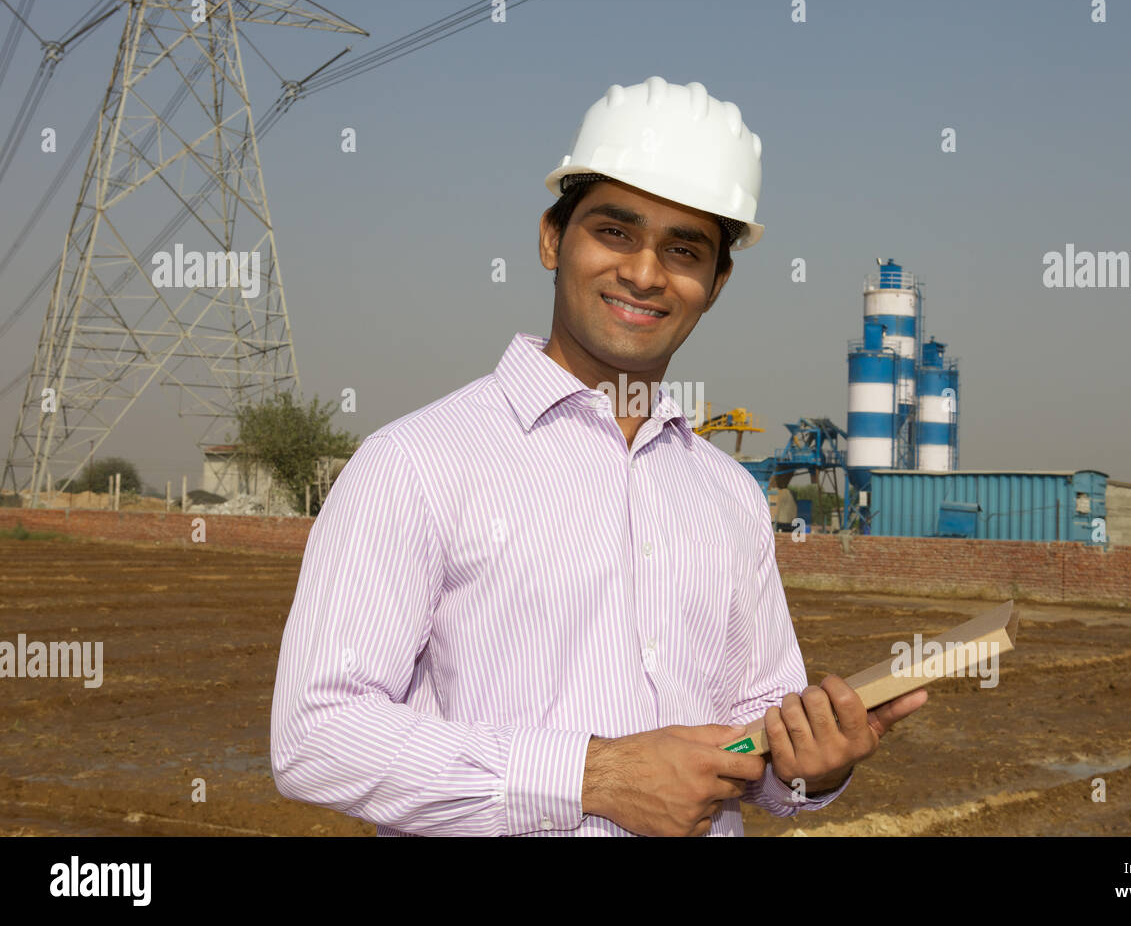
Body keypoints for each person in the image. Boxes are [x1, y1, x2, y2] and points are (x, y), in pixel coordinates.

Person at [270, 75, 927, 837]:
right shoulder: (415, 464)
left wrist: (813, 766)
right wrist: (595, 775)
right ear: (552, 237)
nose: (645, 273)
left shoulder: (727, 493)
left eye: (684, 250)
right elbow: (316, 737)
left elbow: (752, 737)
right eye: (615, 232)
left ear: (717, 283)